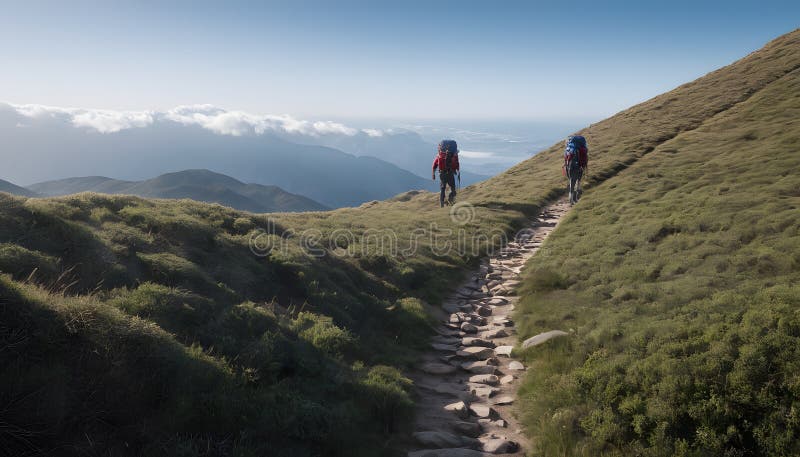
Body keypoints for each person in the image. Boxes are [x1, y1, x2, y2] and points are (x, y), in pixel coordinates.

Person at [432, 140, 460, 207]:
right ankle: (450, 200)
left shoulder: (439, 155)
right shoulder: (454, 156)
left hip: (442, 174)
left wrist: (433, 174)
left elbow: (434, 165)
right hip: (450, 174)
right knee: (453, 189)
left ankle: (442, 204)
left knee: (442, 189)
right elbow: (456, 165)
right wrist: (457, 172)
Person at [564, 135, 588, 205]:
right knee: (578, 181)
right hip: (580, 167)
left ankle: (571, 200)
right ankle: (575, 198)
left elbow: (566, 160)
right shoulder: (582, 149)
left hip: (571, 167)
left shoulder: (569, 149)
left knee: (572, 181)